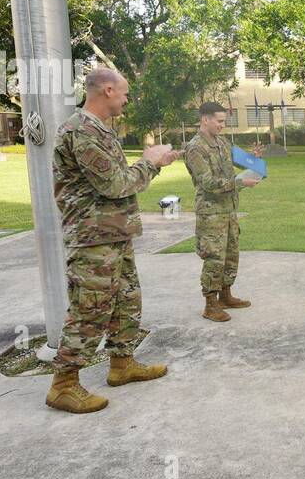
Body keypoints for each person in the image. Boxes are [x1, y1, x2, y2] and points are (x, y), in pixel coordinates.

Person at [46, 68, 180, 414]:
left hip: (113, 234)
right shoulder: (81, 131)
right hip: (92, 238)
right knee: (90, 309)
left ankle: (122, 365)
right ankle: (63, 384)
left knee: (125, 300)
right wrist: (150, 162)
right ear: (107, 90)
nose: (126, 98)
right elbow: (116, 185)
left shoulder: (101, 130)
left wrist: (156, 163)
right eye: (123, 92)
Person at [184, 101, 262, 323]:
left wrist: (252, 158)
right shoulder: (195, 148)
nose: (222, 126)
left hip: (228, 210)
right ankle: (210, 305)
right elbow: (208, 182)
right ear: (205, 119)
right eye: (219, 121)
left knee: (230, 254)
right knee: (214, 258)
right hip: (210, 213)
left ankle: (226, 296)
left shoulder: (221, 141)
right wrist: (240, 182)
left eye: (224, 122)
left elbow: (237, 160)